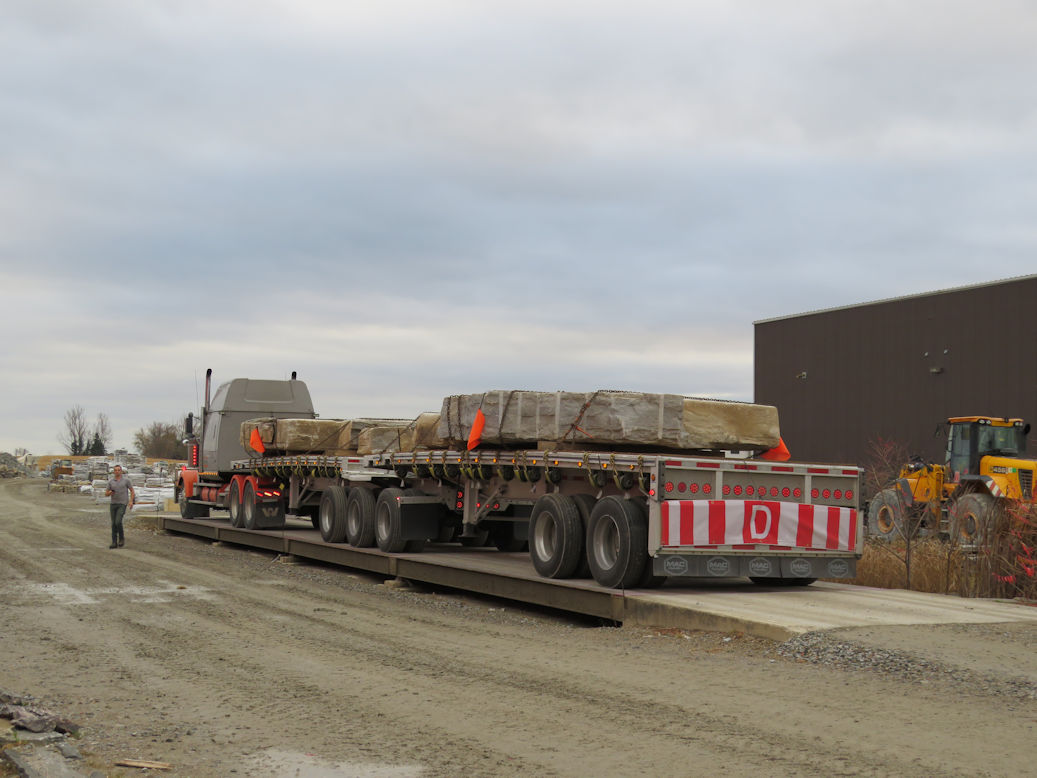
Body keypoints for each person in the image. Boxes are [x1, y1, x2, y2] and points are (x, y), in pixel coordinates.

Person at [105, 465, 135, 549]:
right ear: (114, 472)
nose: (117, 471)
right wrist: (110, 493)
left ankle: (121, 538)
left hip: (122, 503)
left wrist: (131, 501)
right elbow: (106, 493)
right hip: (113, 504)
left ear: (121, 471)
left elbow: (132, 491)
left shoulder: (126, 481)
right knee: (113, 523)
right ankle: (114, 542)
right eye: (115, 470)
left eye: (118, 470)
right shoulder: (111, 482)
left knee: (118, 521)